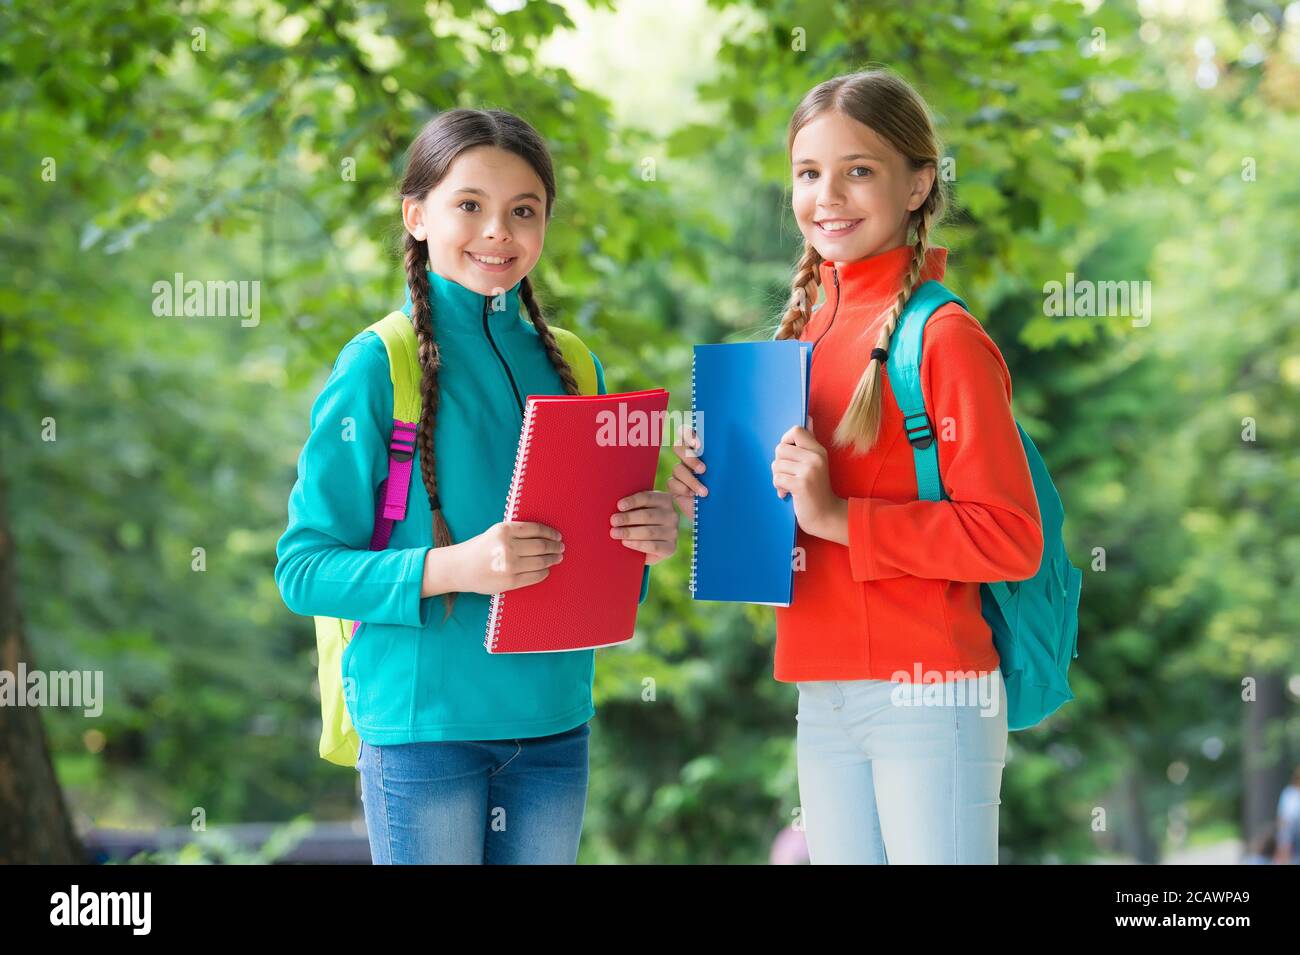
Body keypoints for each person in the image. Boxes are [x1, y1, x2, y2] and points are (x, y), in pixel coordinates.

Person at [276, 108, 678, 863]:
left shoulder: (577, 365)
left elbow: (597, 574)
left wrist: (643, 540)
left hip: (555, 722)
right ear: (417, 214)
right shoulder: (375, 365)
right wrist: (456, 567)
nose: (498, 231)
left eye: (523, 211)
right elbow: (303, 571)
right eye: (470, 205)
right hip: (424, 731)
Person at [669, 69, 1043, 864]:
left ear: (918, 184)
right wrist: (713, 488)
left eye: (858, 170)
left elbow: (1010, 538)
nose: (827, 195)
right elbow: (779, 531)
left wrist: (839, 516)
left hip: (930, 691)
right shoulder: (797, 335)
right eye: (809, 174)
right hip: (822, 688)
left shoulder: (941, 338)